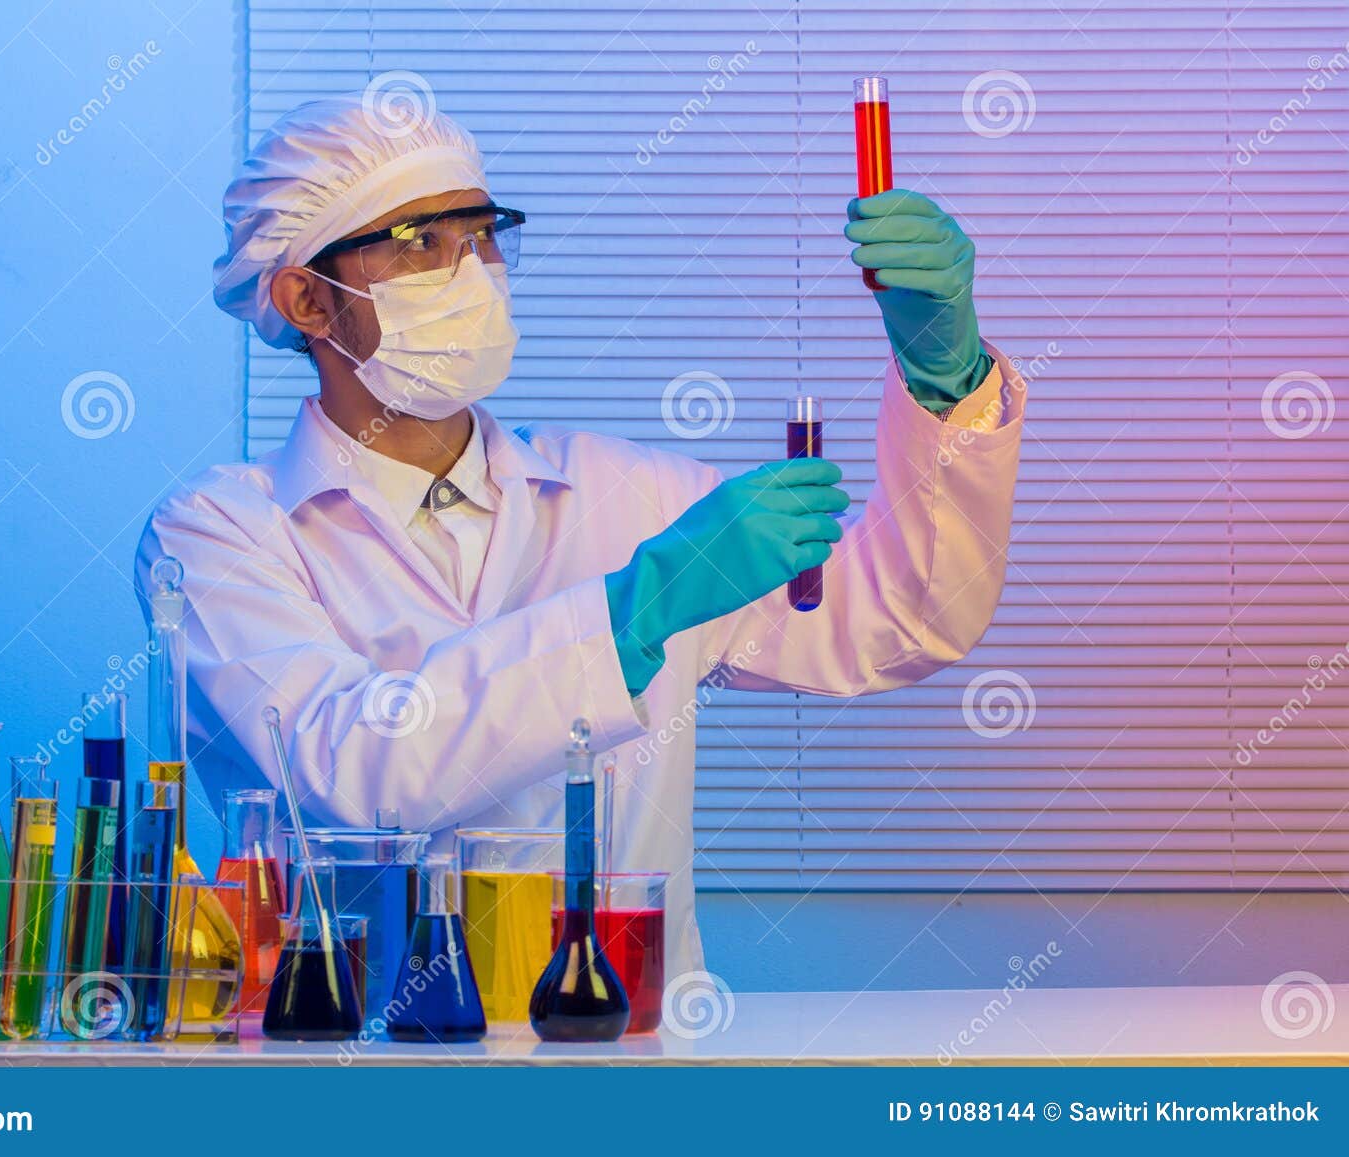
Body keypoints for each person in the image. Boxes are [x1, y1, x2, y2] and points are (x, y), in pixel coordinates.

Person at [134, 89, 1024, 982]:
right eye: (420, 244)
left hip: (631, 1053)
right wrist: (638, 606)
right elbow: (351, 775)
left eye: (482, 235)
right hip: (364, 1048)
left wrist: (946, 375)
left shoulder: (630, 494)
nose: (473, 271)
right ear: (308, 301)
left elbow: (906, 620)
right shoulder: (219, 535)